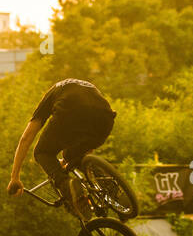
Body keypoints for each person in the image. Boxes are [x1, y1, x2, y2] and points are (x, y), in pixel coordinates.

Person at [6, 78, 115, 219]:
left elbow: (27, 137)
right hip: (106, 118)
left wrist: (15, 177)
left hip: (71, 111)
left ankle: (67, 184)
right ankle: (111, 188)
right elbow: (86, 140)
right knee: (74, 155)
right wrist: (71, 158)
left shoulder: (52, 95)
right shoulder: (85, 87)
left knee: (41, 152)